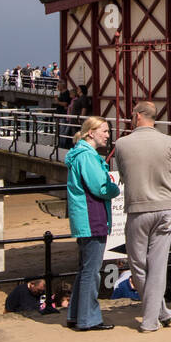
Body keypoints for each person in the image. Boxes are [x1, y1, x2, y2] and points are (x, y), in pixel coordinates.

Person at [113, 101, 171, 333]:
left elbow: (123, 176)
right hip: (165, 207)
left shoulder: (122, 144)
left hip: (137, 209)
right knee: (157, 264)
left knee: (138, 264)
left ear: (137, 116)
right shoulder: (170, 142)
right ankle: (162, 311)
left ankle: (149, 320)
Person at [65, 116, 122, 329]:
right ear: (91, 133)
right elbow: (101, 187)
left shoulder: (79, 155)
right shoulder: (88, 157)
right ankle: (88, 318)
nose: (108, 135)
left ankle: (76, 314)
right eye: (105, 131)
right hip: (92, 216)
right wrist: (115, 188)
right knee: (92, 269)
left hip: (84, 217)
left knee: (85, 268)